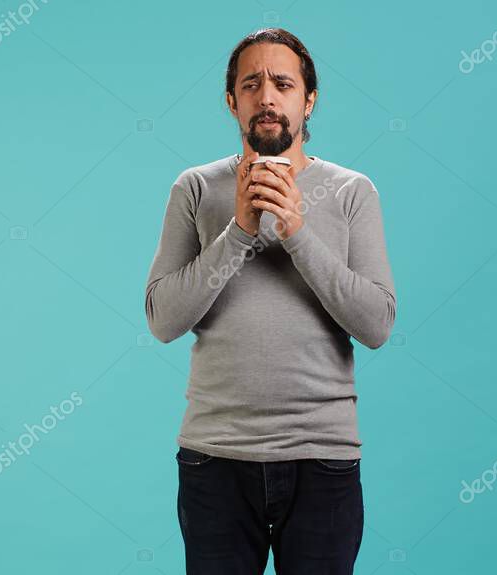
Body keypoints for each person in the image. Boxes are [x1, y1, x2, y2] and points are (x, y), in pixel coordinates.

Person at [144, 27, 397, 574]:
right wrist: (238, 230)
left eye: (283, 84)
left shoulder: (352, 191)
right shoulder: (194, 188)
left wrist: (297, 231)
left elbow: (377, 325)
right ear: (231, 101)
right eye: (251, 84)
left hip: (322, 458)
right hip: (214, 457)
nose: (267, 97)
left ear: (309, 100)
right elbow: (163, 320)